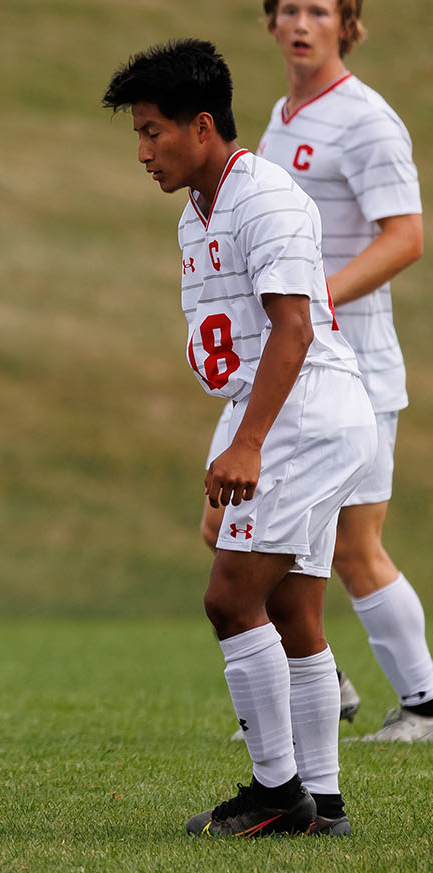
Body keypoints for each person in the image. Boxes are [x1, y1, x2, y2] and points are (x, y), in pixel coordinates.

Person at [103, 39, 376, 837]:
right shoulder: (199, 213)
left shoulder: (266, 199)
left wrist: (249, 443)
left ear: (201, 125)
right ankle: (322, 802)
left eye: (152, 131)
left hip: (305, 415)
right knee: (292, 608)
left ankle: (274, 793)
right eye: (137, 134)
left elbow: (294, 330)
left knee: (229, 600)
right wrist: (235, 435)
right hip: (286, 413)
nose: (143, 152)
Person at [202, 0, 429, 742]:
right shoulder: (282, 115)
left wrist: (314, 296)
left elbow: (406, 237)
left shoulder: (366, 120)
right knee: (234, 526)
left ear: (346, 23)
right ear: (270, 21)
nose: (302, 23)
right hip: (287, 364)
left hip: (352, 368)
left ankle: (424, 704)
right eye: (289, 9)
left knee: (354, 549)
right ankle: (319, 682)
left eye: (320, 9)